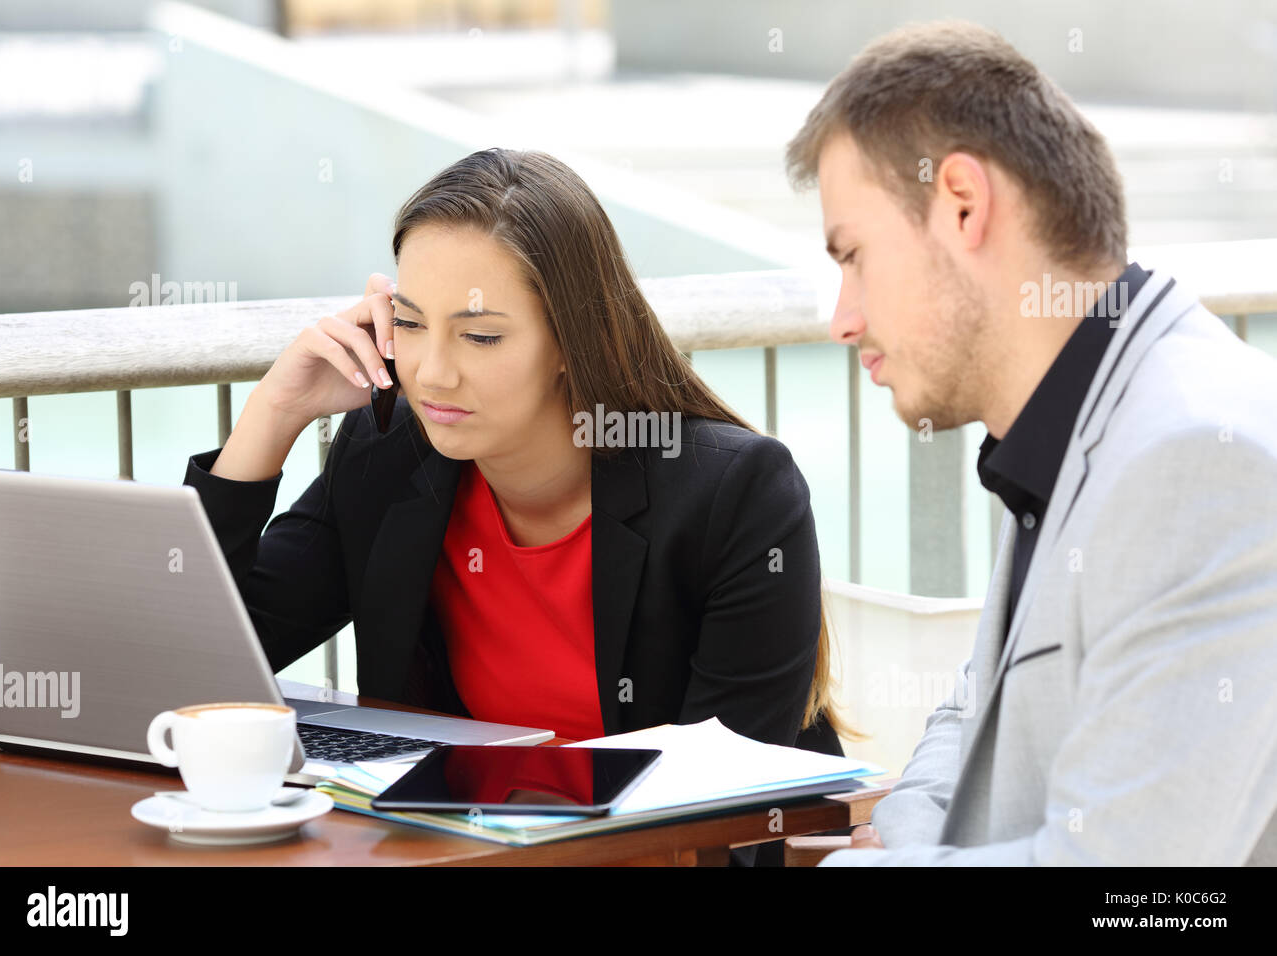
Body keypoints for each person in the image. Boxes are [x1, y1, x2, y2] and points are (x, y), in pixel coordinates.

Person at [182, 147, 856, 866]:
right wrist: (272, 415)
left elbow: (728, 816)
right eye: (408, 324)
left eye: (480, 335)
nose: (433, 372)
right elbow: (200, 666)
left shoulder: (733, 491)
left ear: (571, 340)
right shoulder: (387, 457)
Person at [783, 21, 1277, 865]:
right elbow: (976, 715)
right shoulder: (1084, 420)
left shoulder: (1194, 459)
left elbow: (1142, 891)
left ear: (964, 205)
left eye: (855, 256)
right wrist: (907, 839)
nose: (843, 318)